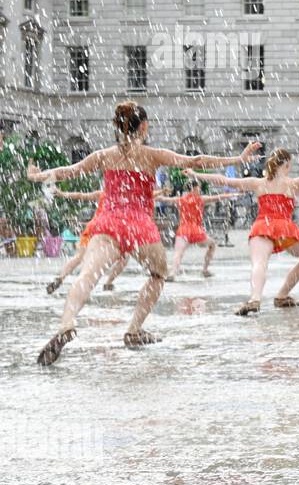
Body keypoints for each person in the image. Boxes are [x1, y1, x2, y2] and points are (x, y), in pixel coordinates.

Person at [25, 101, 260, 365]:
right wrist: (237, 159)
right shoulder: (152, 155)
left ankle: (66, 324)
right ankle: (134, 329)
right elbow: (196, 160)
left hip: (108, 224)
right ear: (144, 127)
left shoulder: (104, 155)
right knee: (159, 274)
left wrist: (37, 176)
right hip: (140, 227)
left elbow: (68, 171)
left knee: (87, 276)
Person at [192, 149, 299, 315]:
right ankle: (282, 295)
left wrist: (196, 175)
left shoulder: (258, 183)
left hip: (262, 226)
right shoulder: (293, 183)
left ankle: (255, 299)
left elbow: (224, 181)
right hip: (284, 228)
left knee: (259, 264)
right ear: (287, 164)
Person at [43, 187, 131, 295]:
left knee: (79, 257)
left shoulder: (104, 194)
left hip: (94, 228)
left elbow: (81, 195)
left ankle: (60, 278)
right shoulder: (129, 199)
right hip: (111, 233)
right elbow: (152, 195)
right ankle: (108, 283)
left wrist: (62, 193)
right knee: (125, 257)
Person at [155, 180, 234, 280]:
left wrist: (154, 195)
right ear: (194, 188)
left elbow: (163, 199)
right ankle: (205, 270)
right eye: (199, 187)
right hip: (197, 231)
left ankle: (173, 273)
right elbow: (217, 198)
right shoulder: (201, 199)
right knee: (212, 245)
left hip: (183, 230)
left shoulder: (180, 199)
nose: (200, 189)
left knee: (178, 253)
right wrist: (231, 194)